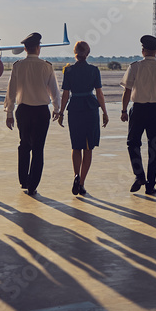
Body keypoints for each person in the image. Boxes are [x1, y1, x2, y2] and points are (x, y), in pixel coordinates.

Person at [4, 32, 60, 196]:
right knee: (38, 148)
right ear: (38, 48)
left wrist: (9, 113)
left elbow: (11, 91)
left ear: (25, 49)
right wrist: (57, 108)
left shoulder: (18, 66)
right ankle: (32, 184)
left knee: (24, 145)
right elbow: (54, 91)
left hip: (24, 111)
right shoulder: (46, 66)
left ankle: (23, 179)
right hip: (41, 111)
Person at [120, 34, 156, 195]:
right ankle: (151, 184)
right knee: (154, 147)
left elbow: (127, 91)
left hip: (138, 109)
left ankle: (139, 176)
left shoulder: (135, 67)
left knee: (133, 143)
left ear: (143, 50)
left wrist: (124, 110)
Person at [54, 41, 109, 197]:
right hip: (90, 108)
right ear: (88, 53)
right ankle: (82, 183)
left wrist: (61, 112)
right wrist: (104, 112)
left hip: (75, 108)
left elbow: (65, 94)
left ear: (75, 53)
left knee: (76, 145)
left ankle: (75, 175)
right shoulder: (94, 70)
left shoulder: (69, 70)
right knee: (88, 147)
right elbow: (99, 93)